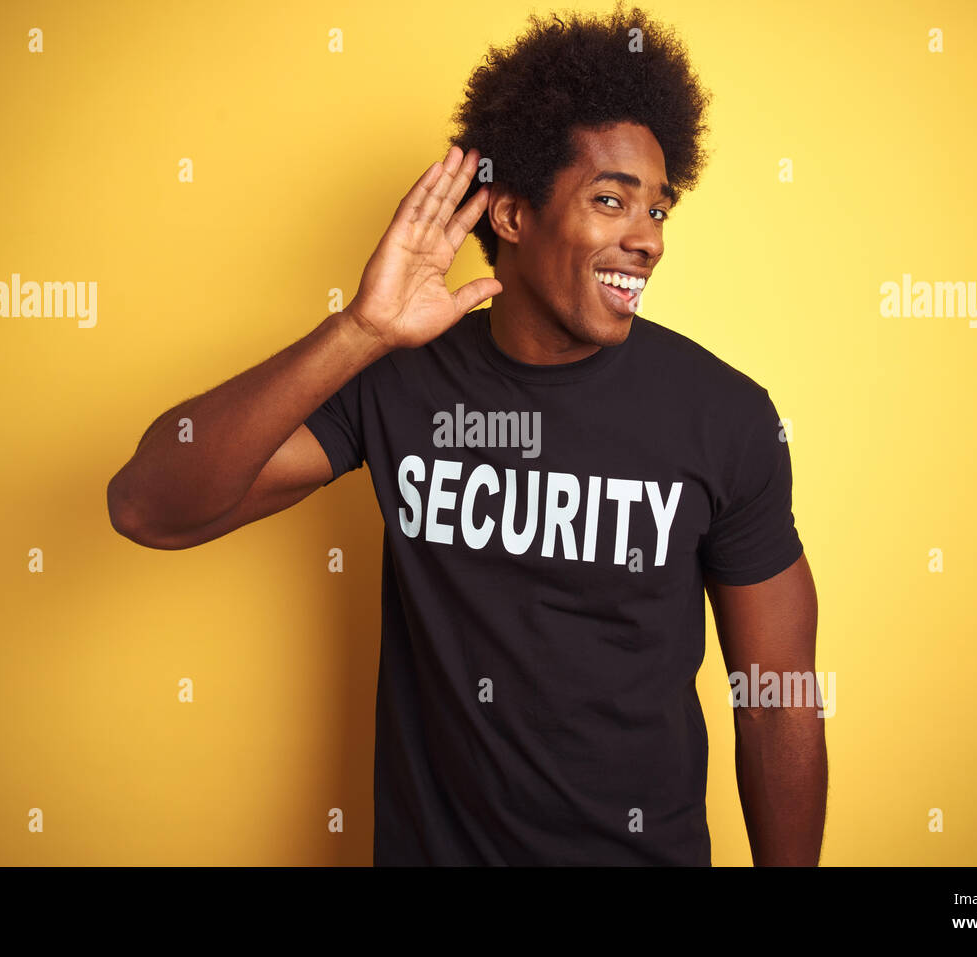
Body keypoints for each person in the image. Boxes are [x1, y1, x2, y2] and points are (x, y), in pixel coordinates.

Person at [107, 3, 825, 866]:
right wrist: (360, 332)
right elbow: (150, 506)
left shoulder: (724, 416)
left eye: (659, 212)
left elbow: (778, 698)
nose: (647, 241)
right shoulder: (396, 381)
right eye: (611, 201)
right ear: (514, 217)